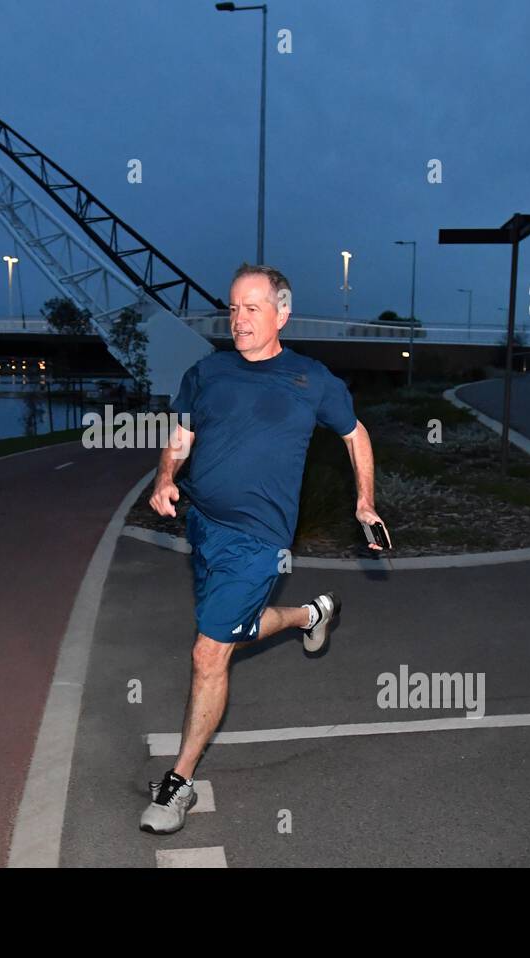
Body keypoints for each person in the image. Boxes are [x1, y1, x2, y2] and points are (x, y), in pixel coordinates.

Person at [140, 263, 389, 835]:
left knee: (208, 652)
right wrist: (164, 478)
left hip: (259, 539)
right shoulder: (208, 373)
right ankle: (311, 614)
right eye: (232, 307)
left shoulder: (311, 378)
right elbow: (182, 434)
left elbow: (355, 434)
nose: (239, 319)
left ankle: (179, 782)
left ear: (282, 313)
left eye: (252, 308)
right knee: (237, 630)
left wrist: (364, 502)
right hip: (202, 524)